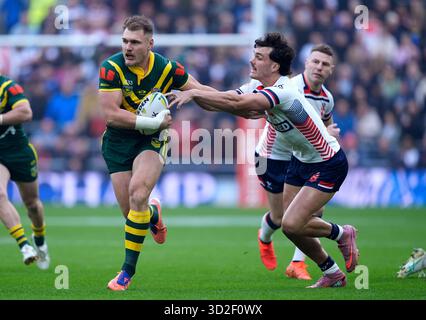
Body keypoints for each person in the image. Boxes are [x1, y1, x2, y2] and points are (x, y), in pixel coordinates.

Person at [168, 32, 359, 288]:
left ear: (274, 65)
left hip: (327, 163)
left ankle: (341, 233)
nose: (251, 61)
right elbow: (219, 100)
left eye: (258, 57)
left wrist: (194, 94)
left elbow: (234, 103)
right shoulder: (257, 86)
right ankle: (332, 272)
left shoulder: (284, 90)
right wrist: (185, 83)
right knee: (288, 224)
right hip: (294, 160)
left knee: (292, 224)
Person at [98, 15, 215, 291]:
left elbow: (200, 90)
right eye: (125, 41)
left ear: (150, 43)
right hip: (117, 141)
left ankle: (126, 273)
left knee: (138, 192)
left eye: (135, 43)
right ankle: (153, 213)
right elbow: (112, 115)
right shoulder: (111, 68)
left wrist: (237, 100)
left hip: (151, 139)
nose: (128, 47)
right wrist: (153, 121)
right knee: (131, 212)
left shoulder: (167, 69)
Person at [255, 44, 340, 281]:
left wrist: (328, 133)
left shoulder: (327, 99)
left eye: (325, 64)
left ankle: (297, 263)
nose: (319, 67)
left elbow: (322, 126)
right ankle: (264, 238)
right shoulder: (289, 87)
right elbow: (292, 126)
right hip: (272, 157)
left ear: (331, 70)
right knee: (282, 219)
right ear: (306, 63)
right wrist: (325, 131)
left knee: (311, 211)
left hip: (302, 157)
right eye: (315, 62)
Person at [0, 74, 50, 270]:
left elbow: (25, 112)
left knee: (32, 204)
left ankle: (39, 239)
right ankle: (24, 246)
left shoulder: (7, 87)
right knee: (0, 194)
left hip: (19, 153)